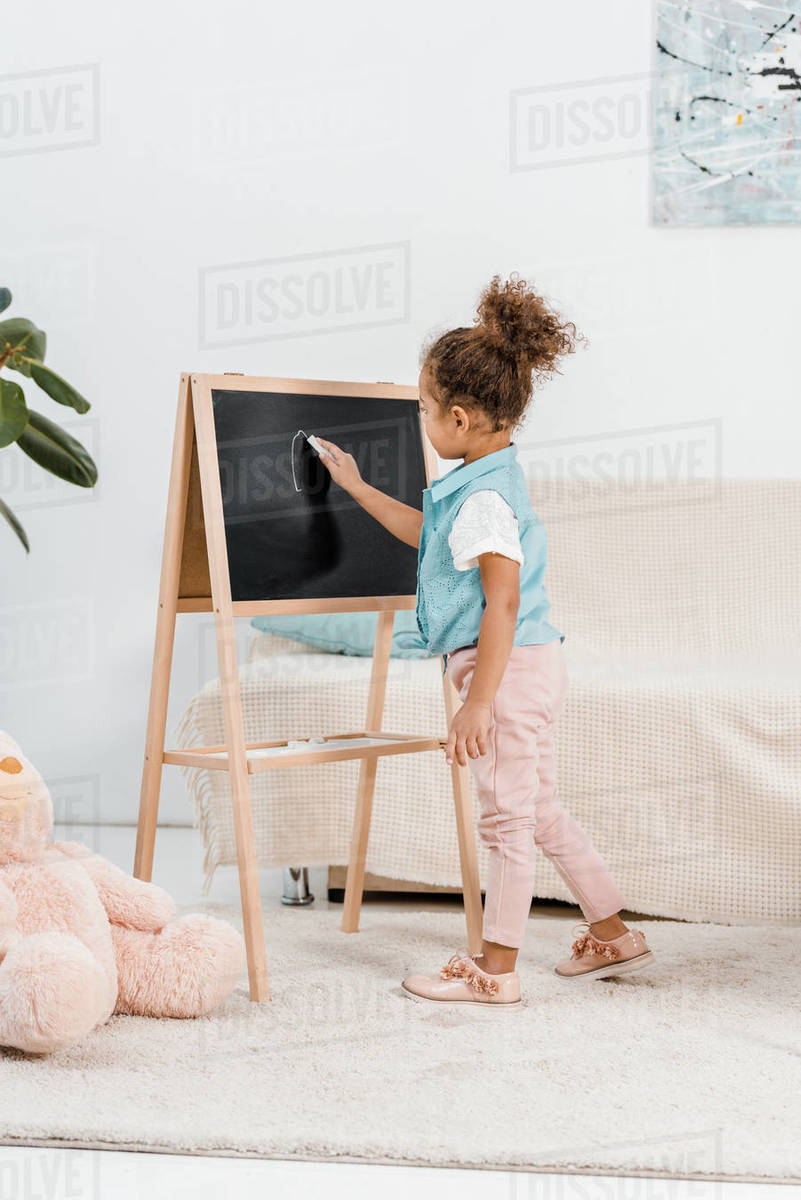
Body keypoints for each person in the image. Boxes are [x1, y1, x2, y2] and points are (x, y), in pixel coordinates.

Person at [316, 274, 653, 1008]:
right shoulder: (479, 483)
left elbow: (502, 603)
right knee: (538, 810)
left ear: (461, 418)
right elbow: (432, 540)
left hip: (507, 671)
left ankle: (494, 971)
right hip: (528, 665)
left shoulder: (485, 499)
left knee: (505, 822)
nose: (422, 419)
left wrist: (477, 704)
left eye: (425, 408)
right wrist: (359, 488)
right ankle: (613, 933)